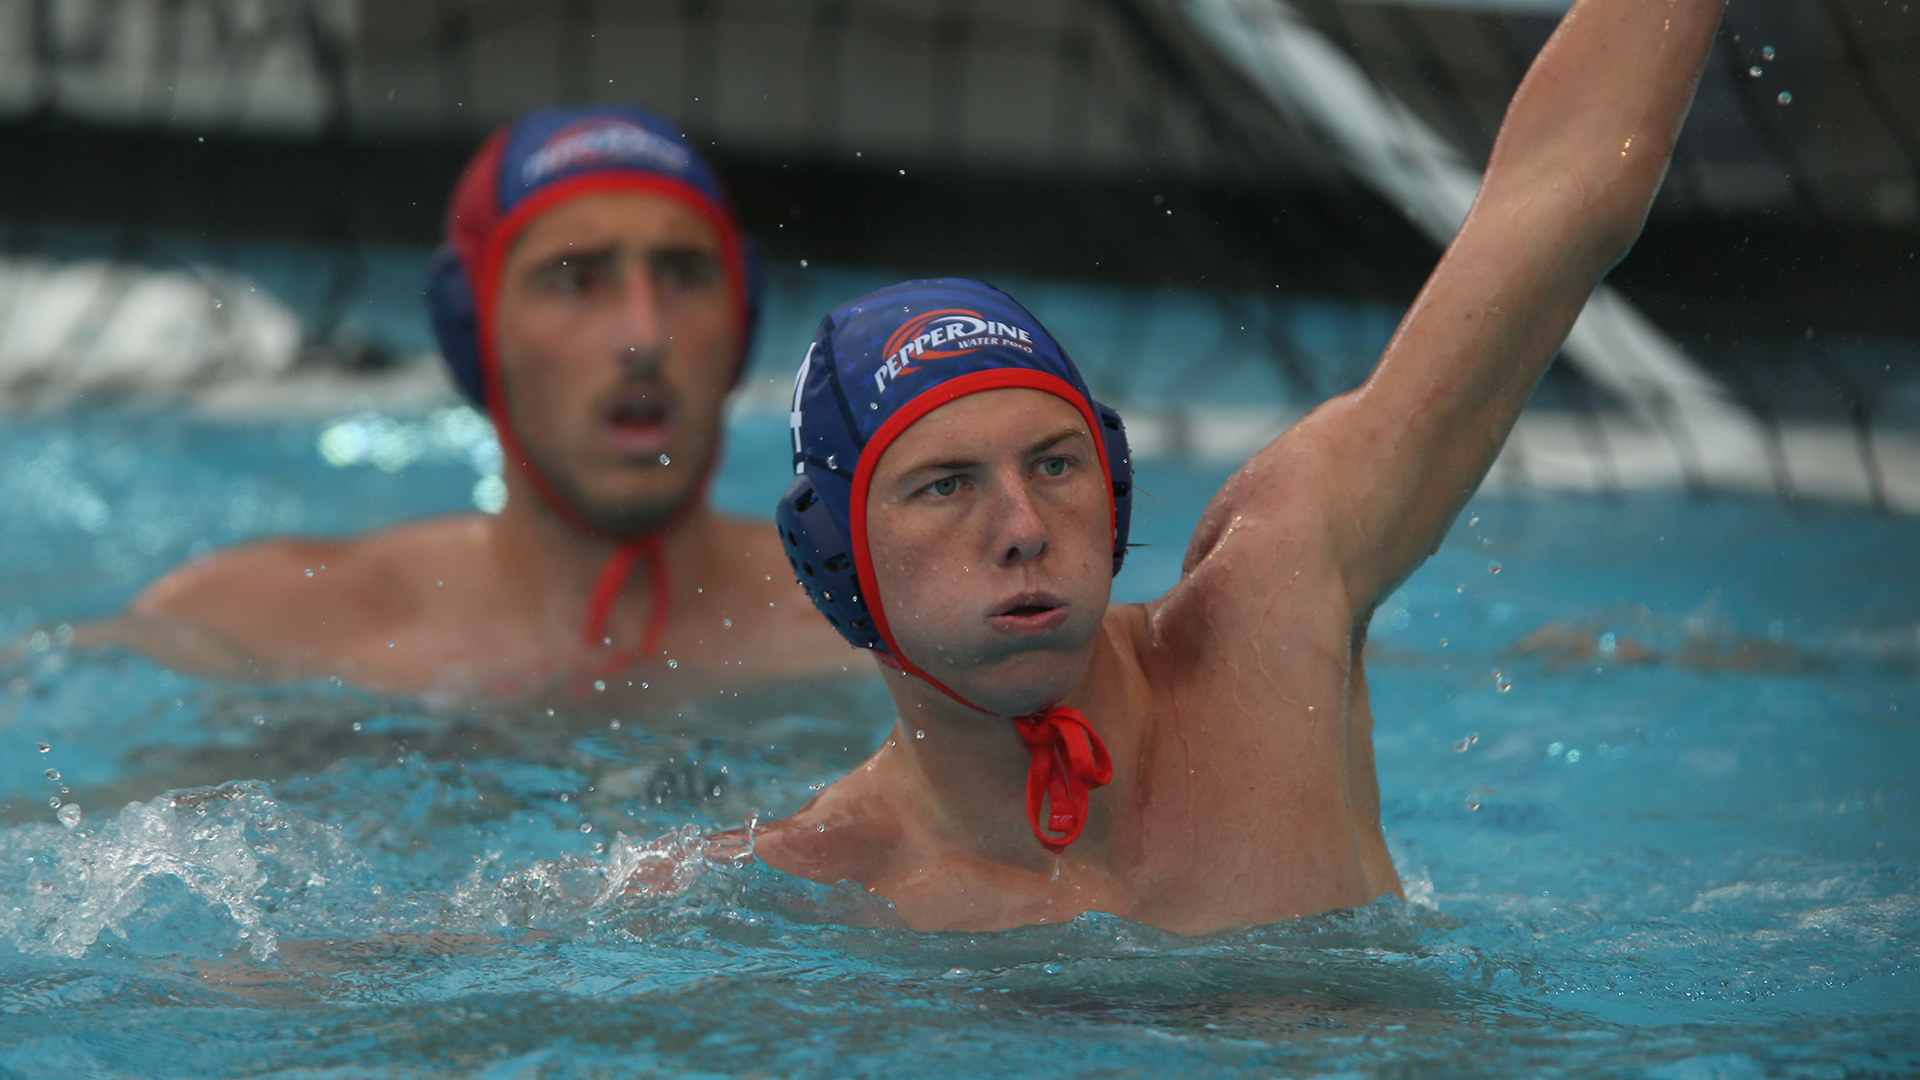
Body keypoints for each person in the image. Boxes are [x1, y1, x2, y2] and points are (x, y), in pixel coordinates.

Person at [721, 0, 1730, 933]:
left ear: (1115, 493)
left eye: (1057, 466)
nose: (1024, 528)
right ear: (836, 558)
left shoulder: (1273, 614)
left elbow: (1559, 198)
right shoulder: (821, 888)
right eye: (946, 486)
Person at [102, 107, 855, 698]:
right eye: (575, 279)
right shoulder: (252, 628)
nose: (643, 336)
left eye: (685, 275)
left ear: (743, 320)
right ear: (473, 329)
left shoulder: (863, 628)